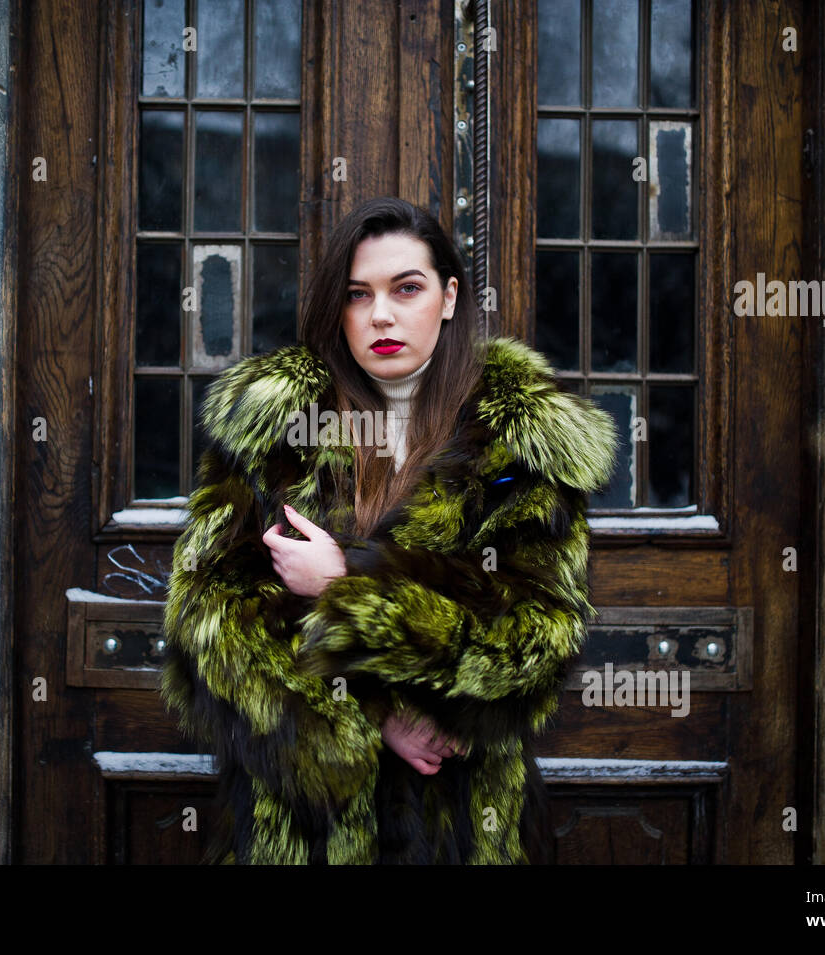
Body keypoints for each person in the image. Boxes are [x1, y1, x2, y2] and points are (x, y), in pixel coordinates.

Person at [160, 196, 618, 864]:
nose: (381, 315)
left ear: (450, 295)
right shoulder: (275, 431)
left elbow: (540, 637)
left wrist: (350, 584)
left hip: (463, 820)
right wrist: (374, 722)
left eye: (407, 288)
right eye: (357, 294)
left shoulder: (517, 445)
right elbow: (206, 625)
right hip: (307, 828)